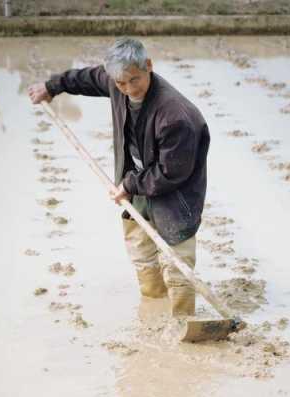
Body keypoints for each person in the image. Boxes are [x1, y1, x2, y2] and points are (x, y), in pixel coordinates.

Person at [28, 38, 210, 316]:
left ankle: (184, 321)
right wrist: (52, 87)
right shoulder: (118, 83)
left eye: (133, 81)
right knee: (142, 255)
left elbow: (170, 173)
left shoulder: (176, 117)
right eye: (120, 83)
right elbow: (87, 78)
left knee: (177, 266)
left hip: (175, 197)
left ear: (148, 66)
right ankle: (155, 309)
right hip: (137, 186)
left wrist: (128, 184)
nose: (127, 89)